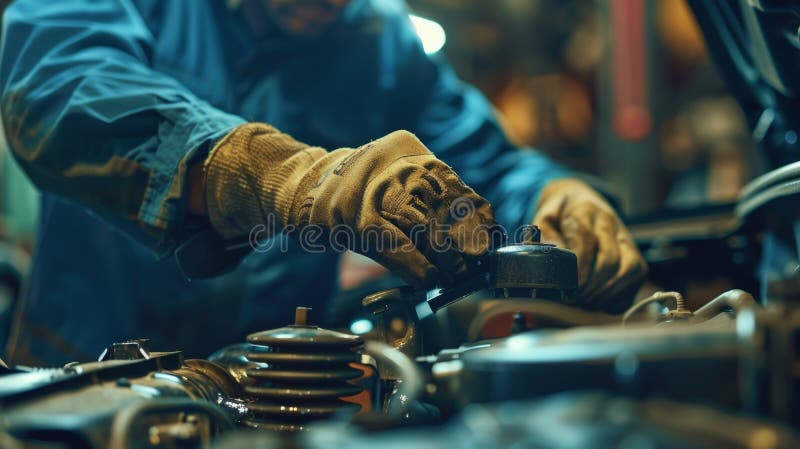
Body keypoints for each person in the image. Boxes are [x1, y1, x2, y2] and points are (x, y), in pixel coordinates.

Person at [0, 0, 646, 365]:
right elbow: (56, 89)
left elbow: (493, 165)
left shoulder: (380, 43)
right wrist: (266, 172)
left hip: (279, 391)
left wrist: (555, 196)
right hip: (82, 376)